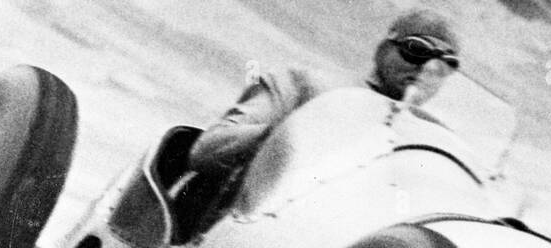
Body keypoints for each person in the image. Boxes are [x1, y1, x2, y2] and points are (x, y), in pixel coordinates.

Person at [188, 8, 461, 178]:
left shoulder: (430, 141)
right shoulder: (304, 84)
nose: (424, 70)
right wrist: (289, 132)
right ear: (384, 48)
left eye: (441, 67)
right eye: (416, 51)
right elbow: (206, 150)